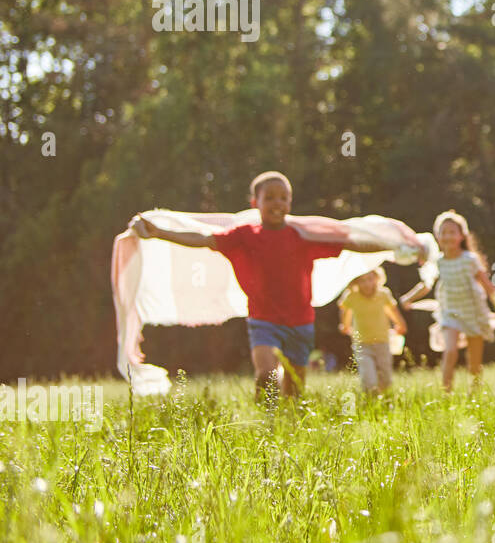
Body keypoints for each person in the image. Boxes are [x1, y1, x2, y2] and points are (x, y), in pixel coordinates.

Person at [129, 171, 400, 402]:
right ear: (254, 202)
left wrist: (395, 246)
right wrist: (160, 233)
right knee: (266, 374)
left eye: (282, 197)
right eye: (268, 197)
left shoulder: (302, 237)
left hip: (301, 322)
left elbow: (351, 243)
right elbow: (202, 238)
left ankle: (285, 426)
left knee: (294, 389)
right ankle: (264, 417)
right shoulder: (245, 236)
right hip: (263, 320)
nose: (276, 203)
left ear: (290, 202)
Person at [400, 210, 495, 392]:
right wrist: (409, 298)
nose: (447, 236)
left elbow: (489, 287)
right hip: (450, 312)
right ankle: (446, 392)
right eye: (443, 232)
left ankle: (475, 392)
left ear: (462, 236)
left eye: (452, 232)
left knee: (474, 360)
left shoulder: (470, 260)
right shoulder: (437, 262)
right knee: (450, 351)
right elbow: (426, 285)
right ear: (437, 236)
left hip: (474, 312)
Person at [339, 268, 406, 395]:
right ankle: (371, 402)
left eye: (370, 279)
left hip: (383, 341)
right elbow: (346, 311)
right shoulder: (352, 296)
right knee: (368, 378)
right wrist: (345, 325)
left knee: (386, 379)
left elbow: (392, 310)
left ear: (376, 279)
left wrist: (400, 324)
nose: (367, 284)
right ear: (356, 282)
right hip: (362, 344)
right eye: (362, 281)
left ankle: (384, 401)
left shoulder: (383, 294)